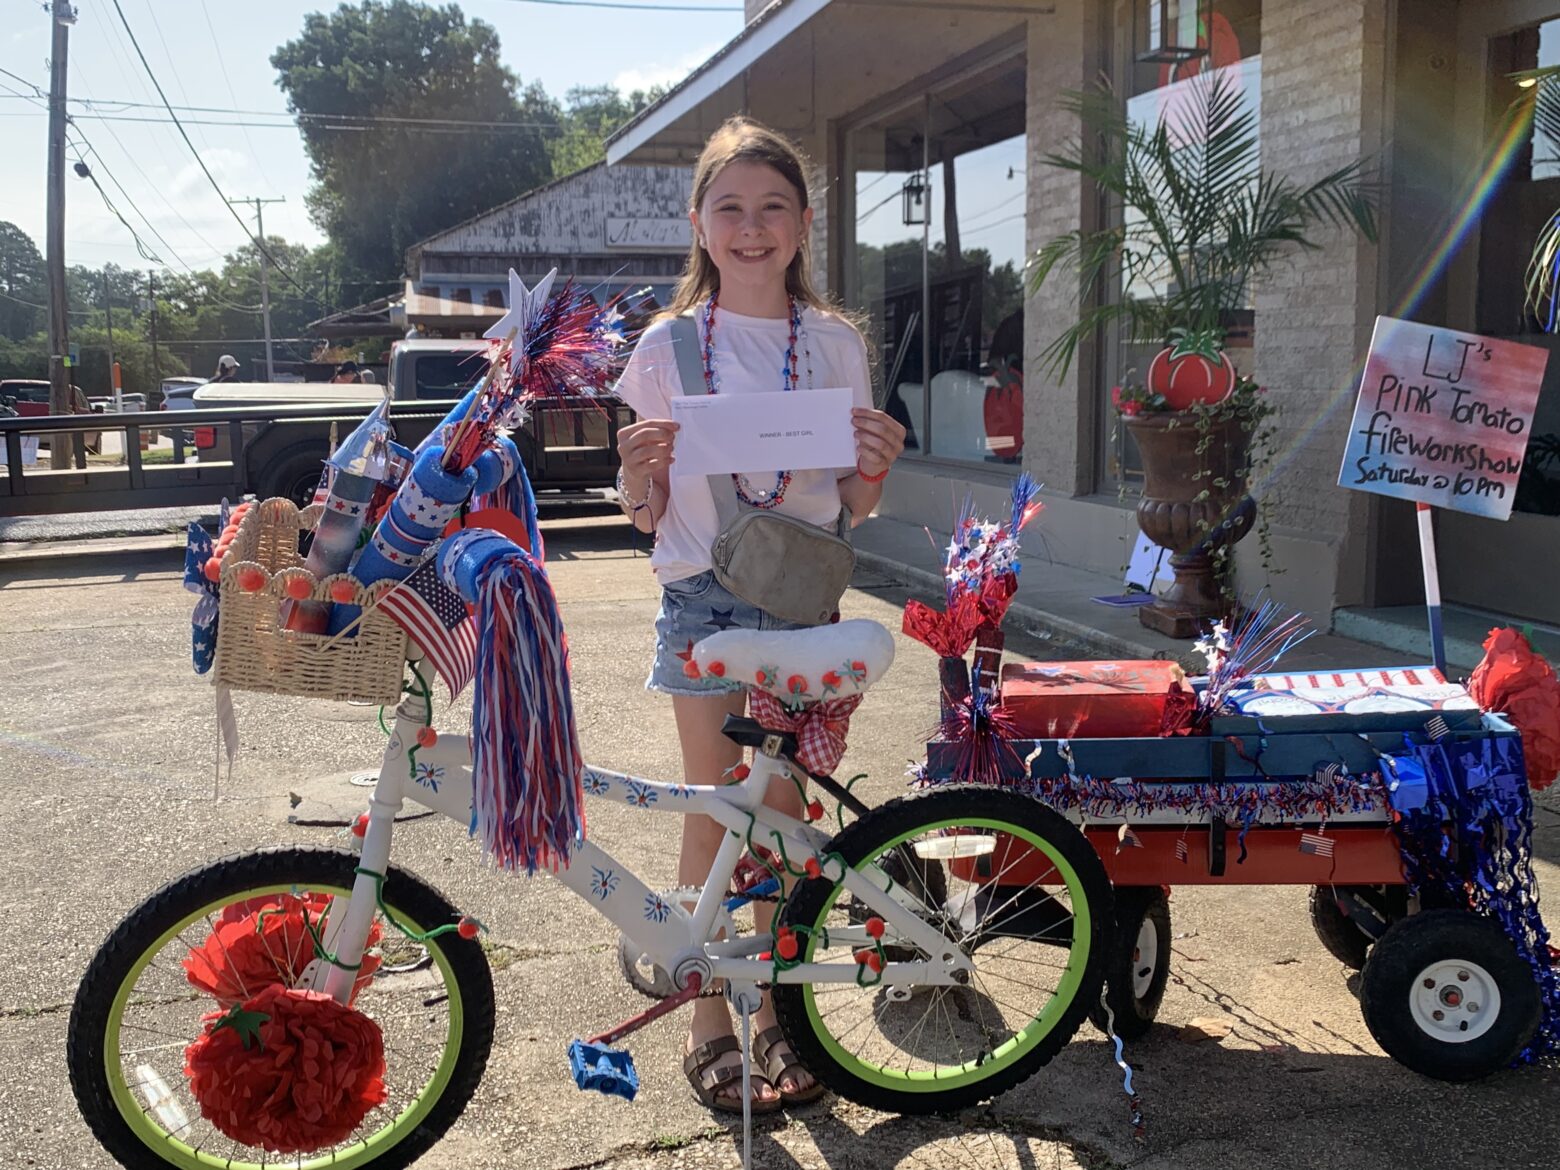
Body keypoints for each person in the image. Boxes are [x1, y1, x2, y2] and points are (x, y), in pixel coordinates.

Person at [611, 116, 906, 1115]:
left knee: (777, 821)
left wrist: (876, 467)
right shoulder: (665, 348)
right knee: (715, 808)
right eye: (730, 207)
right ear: (699, 222)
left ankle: (774, 1010)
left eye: (772, 206)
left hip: (802, 603)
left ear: (805, 223)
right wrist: (636, 476)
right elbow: (647, 517)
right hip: (702, 597)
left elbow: (852, 503)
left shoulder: (832, 343)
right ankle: (709, 1016)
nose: (751, 227)